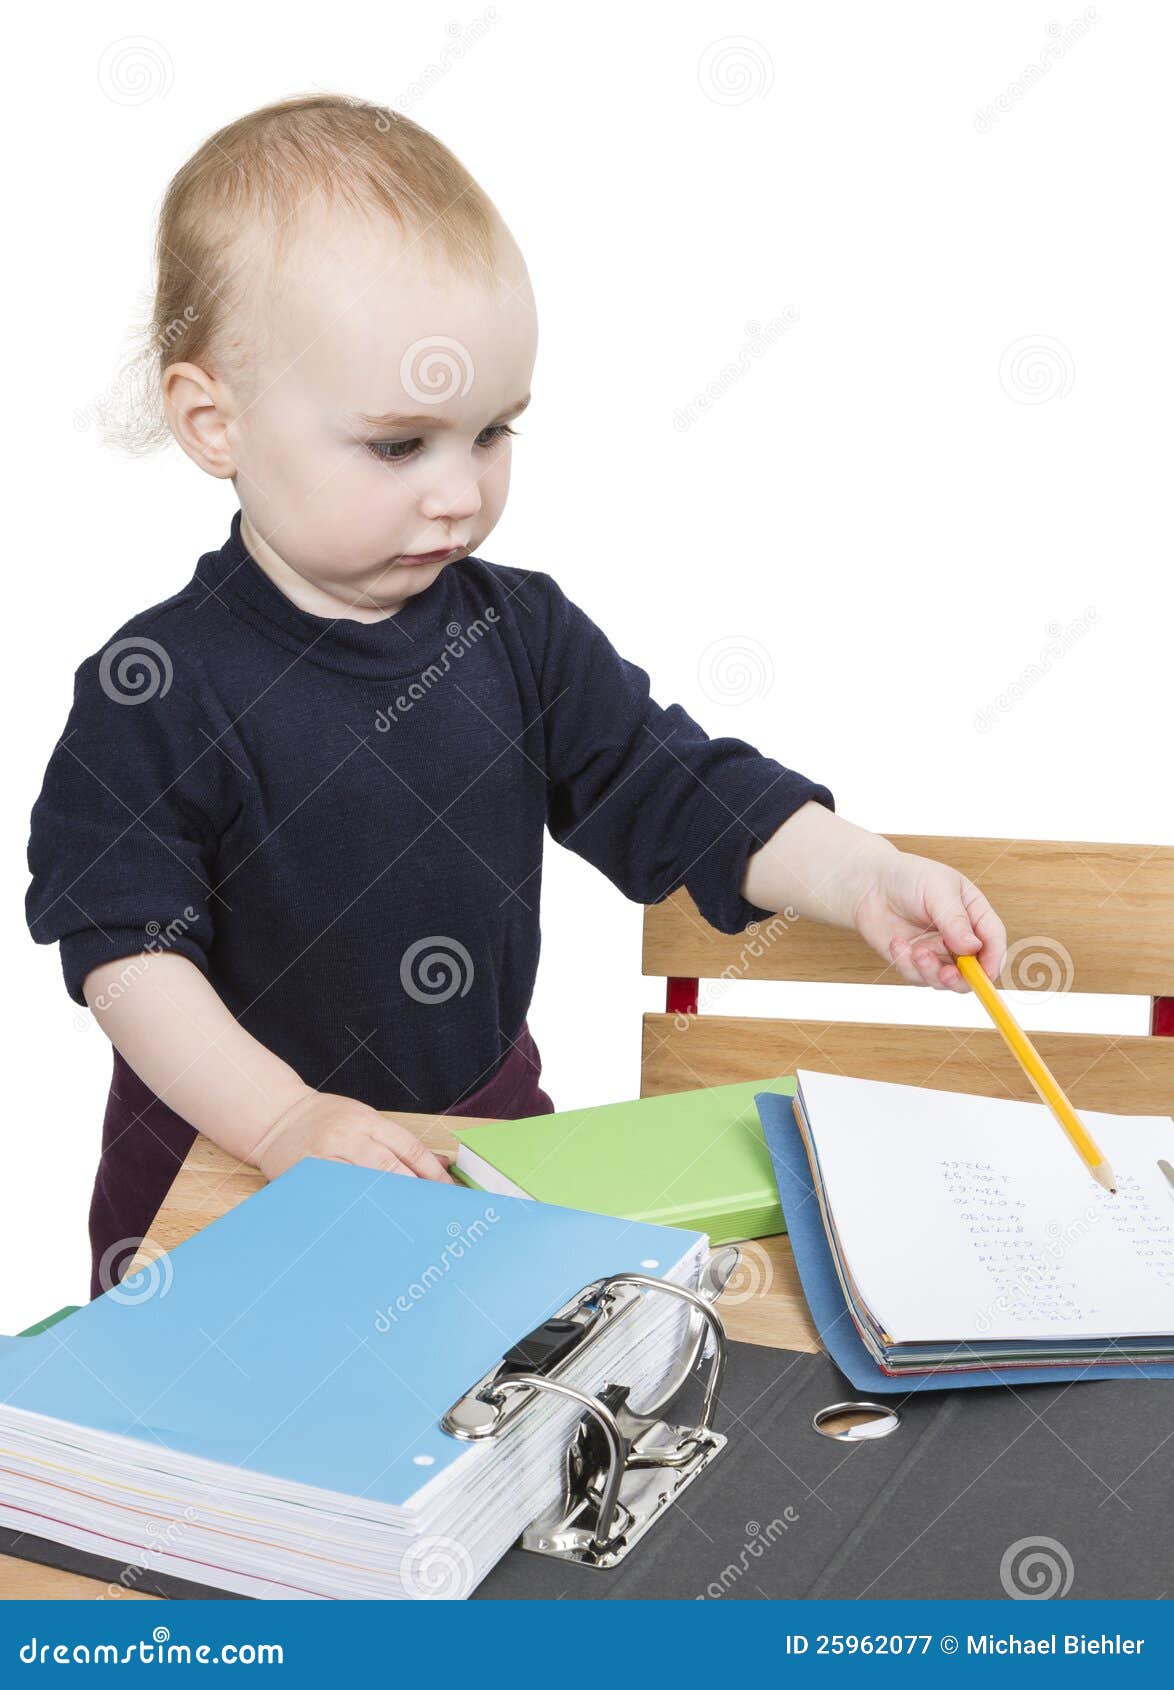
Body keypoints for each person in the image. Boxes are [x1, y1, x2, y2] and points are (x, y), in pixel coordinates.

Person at [25, 95, 1006, 1300]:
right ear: (213, 420)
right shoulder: (160, 687)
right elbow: (122, 954)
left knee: (499, 1426)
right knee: (252, 1453)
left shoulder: (518, 634)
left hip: (479, 1144)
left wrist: (863, 875)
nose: (459, 494)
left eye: (490, 432)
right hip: (225, 1170)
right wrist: (284, 1122)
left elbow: (677, 789)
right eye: (399, 445)